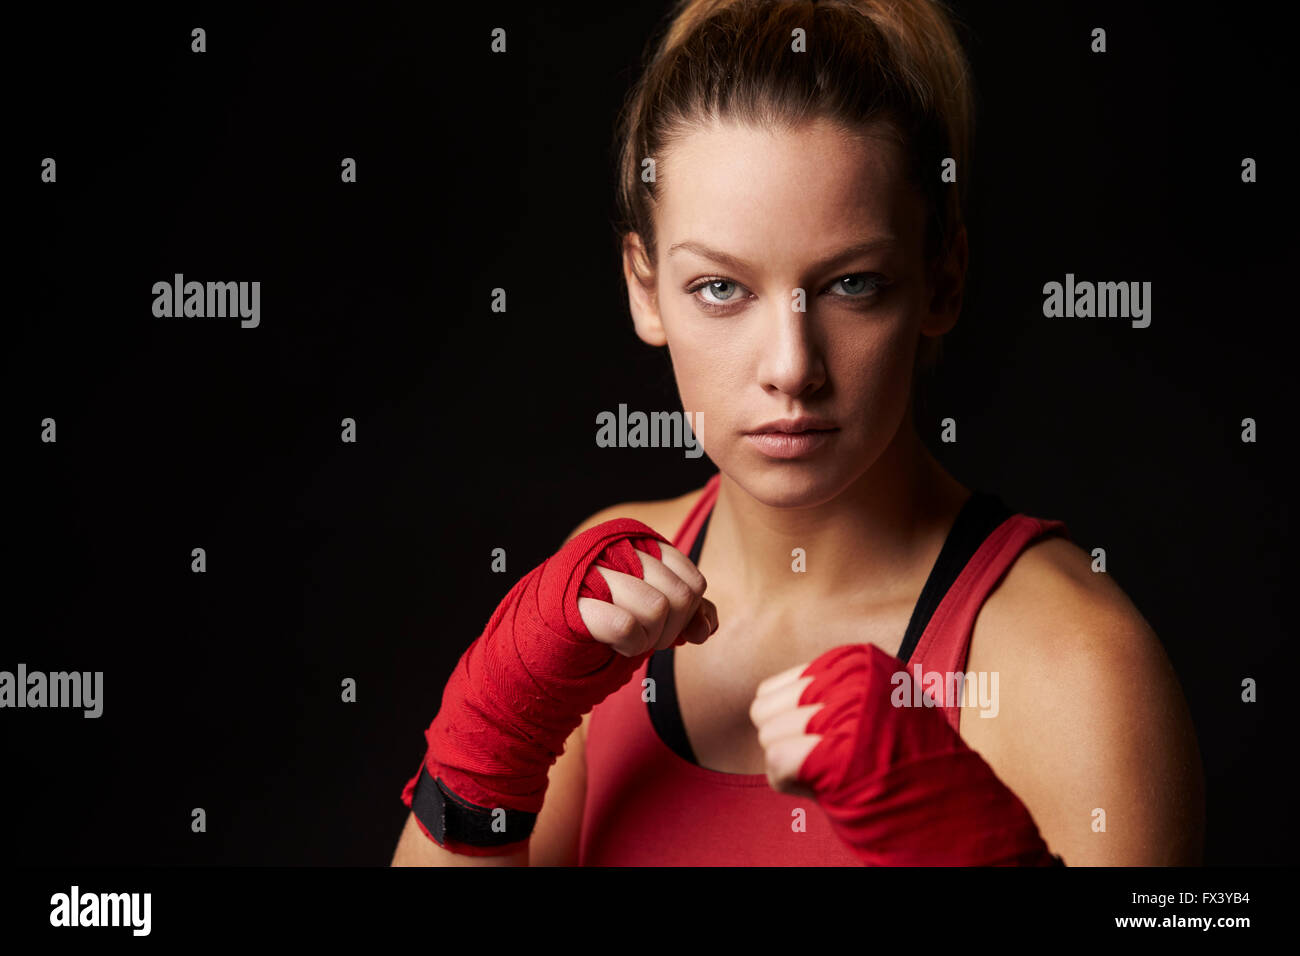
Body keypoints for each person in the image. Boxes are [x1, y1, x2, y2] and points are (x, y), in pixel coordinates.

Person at [391, 0, 1204, 866]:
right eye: (720, 288)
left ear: (942, 279)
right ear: (643, 287)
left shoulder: (1074, 664)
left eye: (853, 284)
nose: (791, 366)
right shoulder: (602, 591)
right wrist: (487, 746)